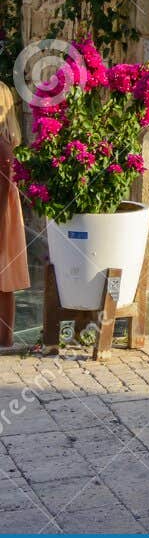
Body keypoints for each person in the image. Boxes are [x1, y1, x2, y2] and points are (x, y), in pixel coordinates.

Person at [0, 81, 26, 347]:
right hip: (5, 216)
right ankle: (4, 340)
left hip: (2, 217)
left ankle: (5, 340)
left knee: (4, 282)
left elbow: (3, 186)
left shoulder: (1, 145)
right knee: (4, 282)